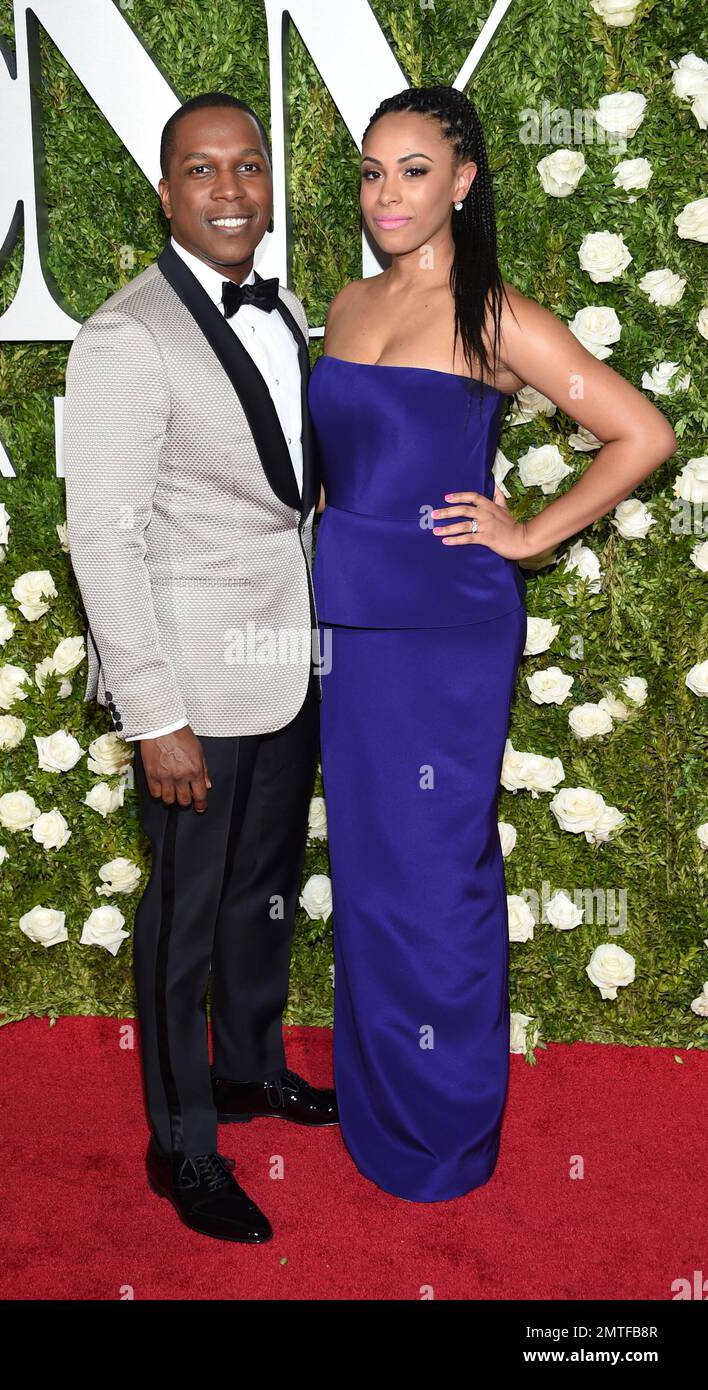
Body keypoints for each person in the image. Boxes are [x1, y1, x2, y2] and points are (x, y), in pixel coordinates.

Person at [309, 84, 677, 1203]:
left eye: (413, 170)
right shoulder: (345, 302)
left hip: (443, 629)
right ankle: (378, 1106)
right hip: (350, 619)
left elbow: (639, 432)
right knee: (369, 875)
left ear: (462, 182)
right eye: (373, 171)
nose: (388, 193)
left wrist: (525, 533)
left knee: (436, 873)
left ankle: (446, 1130)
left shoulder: (495, 313)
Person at [63, 92, 338, 1245]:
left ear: (266, 184)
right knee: (182, 919)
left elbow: (285, 493)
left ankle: (248, 1066)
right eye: (201, 170)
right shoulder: (126, 333)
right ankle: (182, 1145)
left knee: (260, 892)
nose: (229, 190)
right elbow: (100, 534)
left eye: (247, 167)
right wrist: (153, 713)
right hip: (192, 681)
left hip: (284, 655)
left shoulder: (284, 308)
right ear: (165, 191)